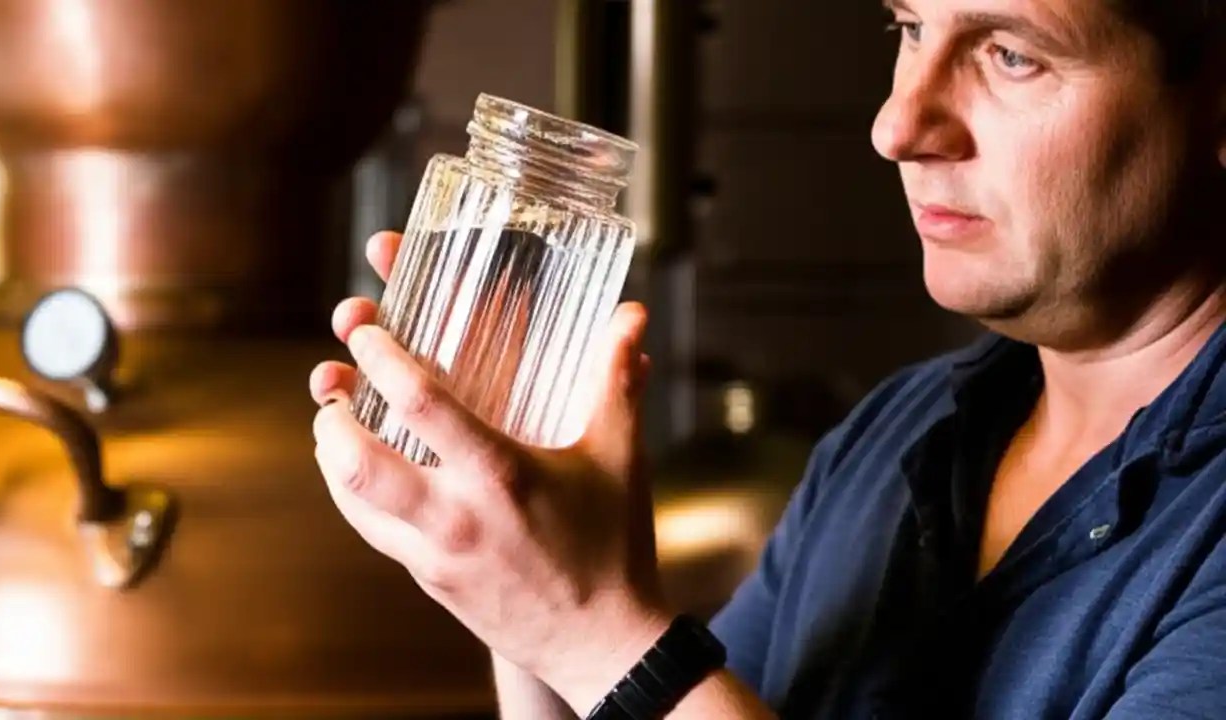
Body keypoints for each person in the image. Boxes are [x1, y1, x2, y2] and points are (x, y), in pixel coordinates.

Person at [308, 0, 1226, 716]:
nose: (898, 126)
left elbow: (632, 675)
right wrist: (523, 585)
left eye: (1010, 54)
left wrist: (596, 629)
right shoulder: (890, 438)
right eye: (910, 29)